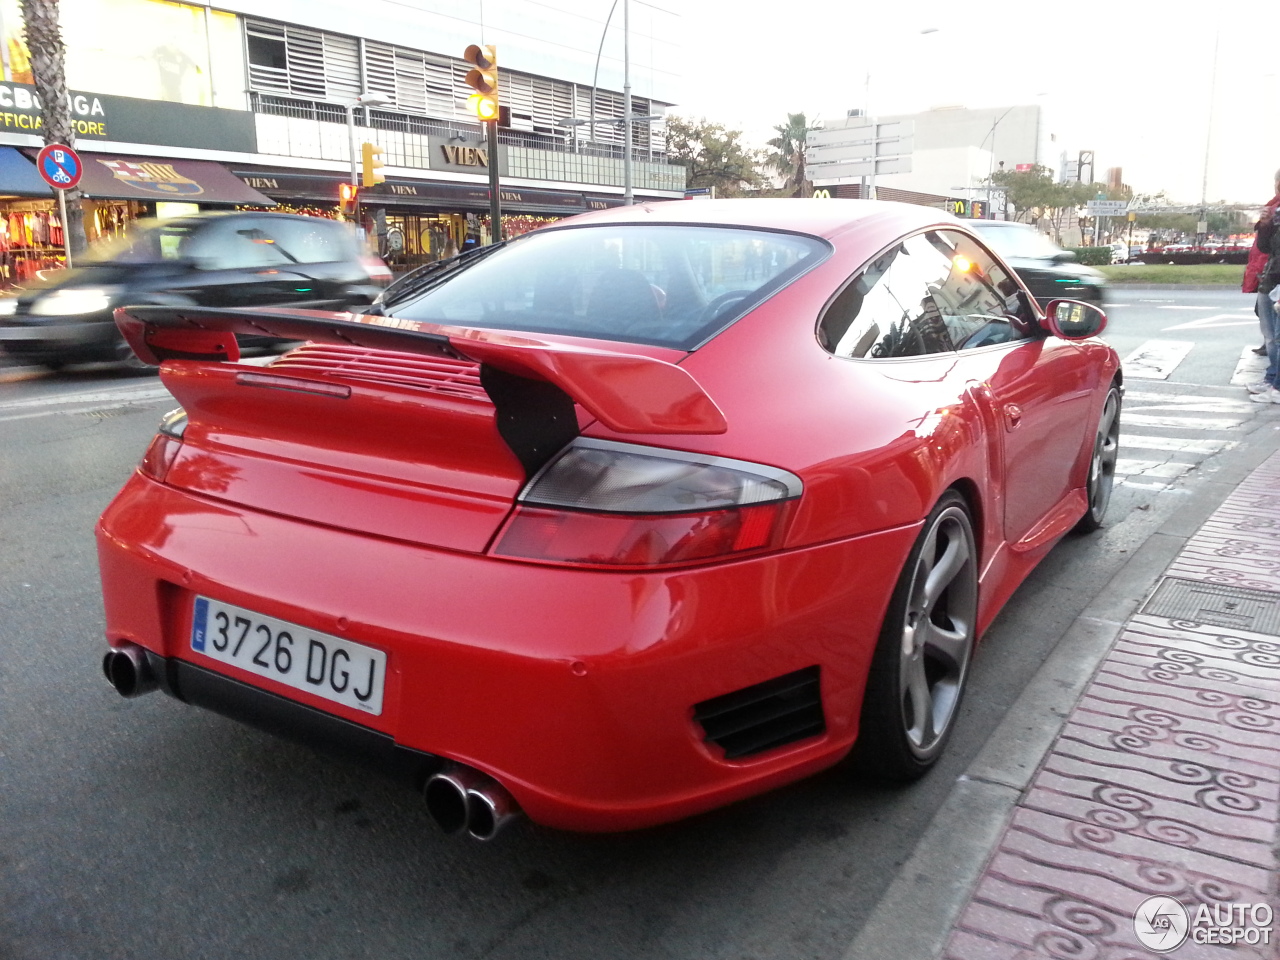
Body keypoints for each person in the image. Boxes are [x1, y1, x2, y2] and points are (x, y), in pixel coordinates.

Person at [1246, 170, 1280, 402]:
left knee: (1277, 337)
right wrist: (1266, 225)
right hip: (1270, 278)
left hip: (1275, 279)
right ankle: (1272, 379)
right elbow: (1267, 248)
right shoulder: (1275, 209)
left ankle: (1276, 386)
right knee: (1271, 337)